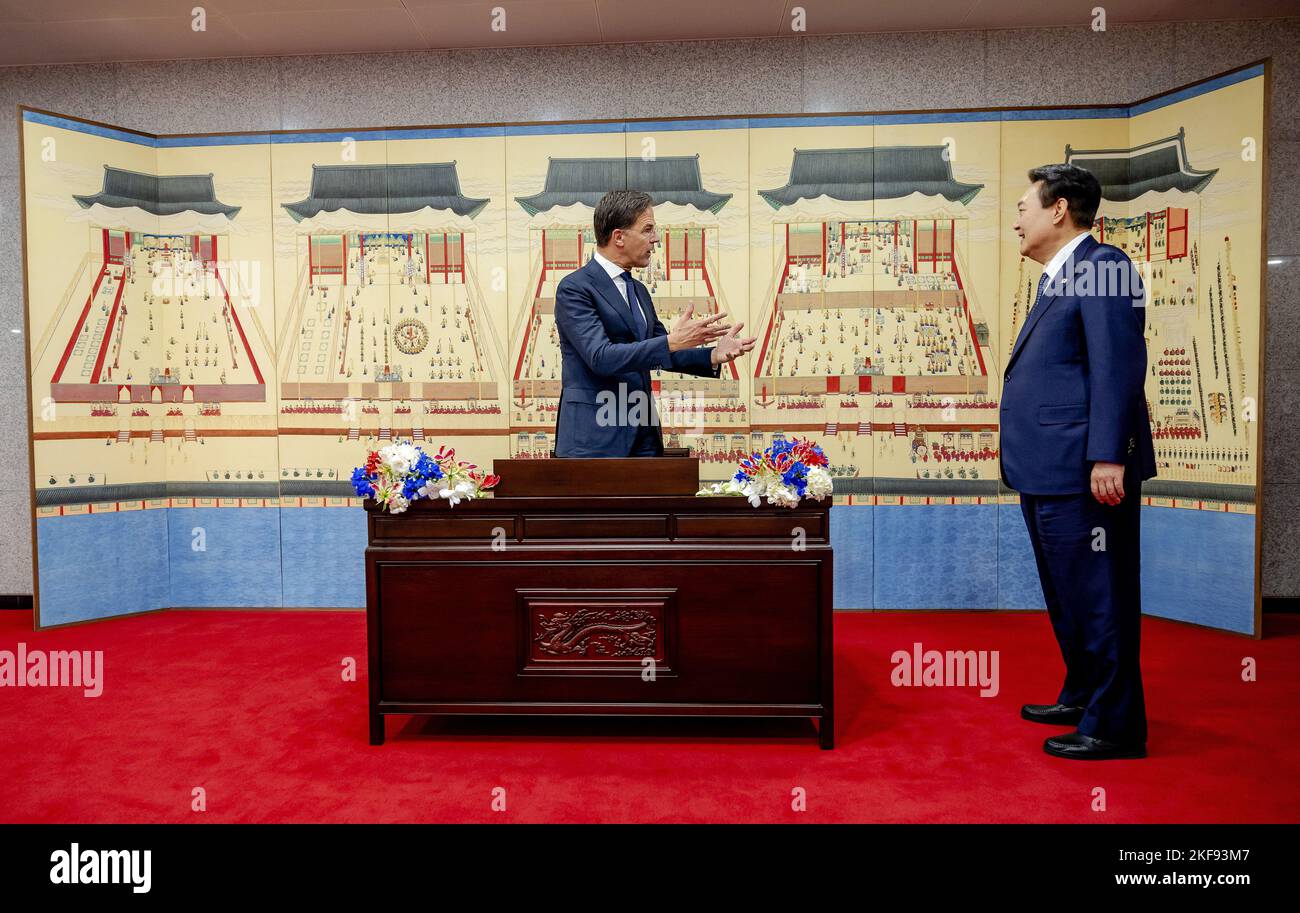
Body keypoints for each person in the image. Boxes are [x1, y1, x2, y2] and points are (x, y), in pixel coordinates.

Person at [1002, 164, 1157, 761]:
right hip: (1047, 469)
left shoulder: (1105, 269)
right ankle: (1085, 693)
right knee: (1066, 593)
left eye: (1023, 207)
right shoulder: (1059, 279)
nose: (1017, 220)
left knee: (1100, 595)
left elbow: (1118, 367)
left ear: (1059, 209)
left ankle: (1115, 725)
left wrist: (1107, 457)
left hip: (1085, 471)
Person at [553, 190, 755, 457]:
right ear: (618, 237)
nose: (655, 238)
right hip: (594, 440)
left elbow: (663, 353)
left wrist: (713, 356)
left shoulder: (638, 290)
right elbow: (600, 357)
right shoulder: (574, 289)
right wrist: (672, 340)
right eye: (647, 230)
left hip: (643, 435)